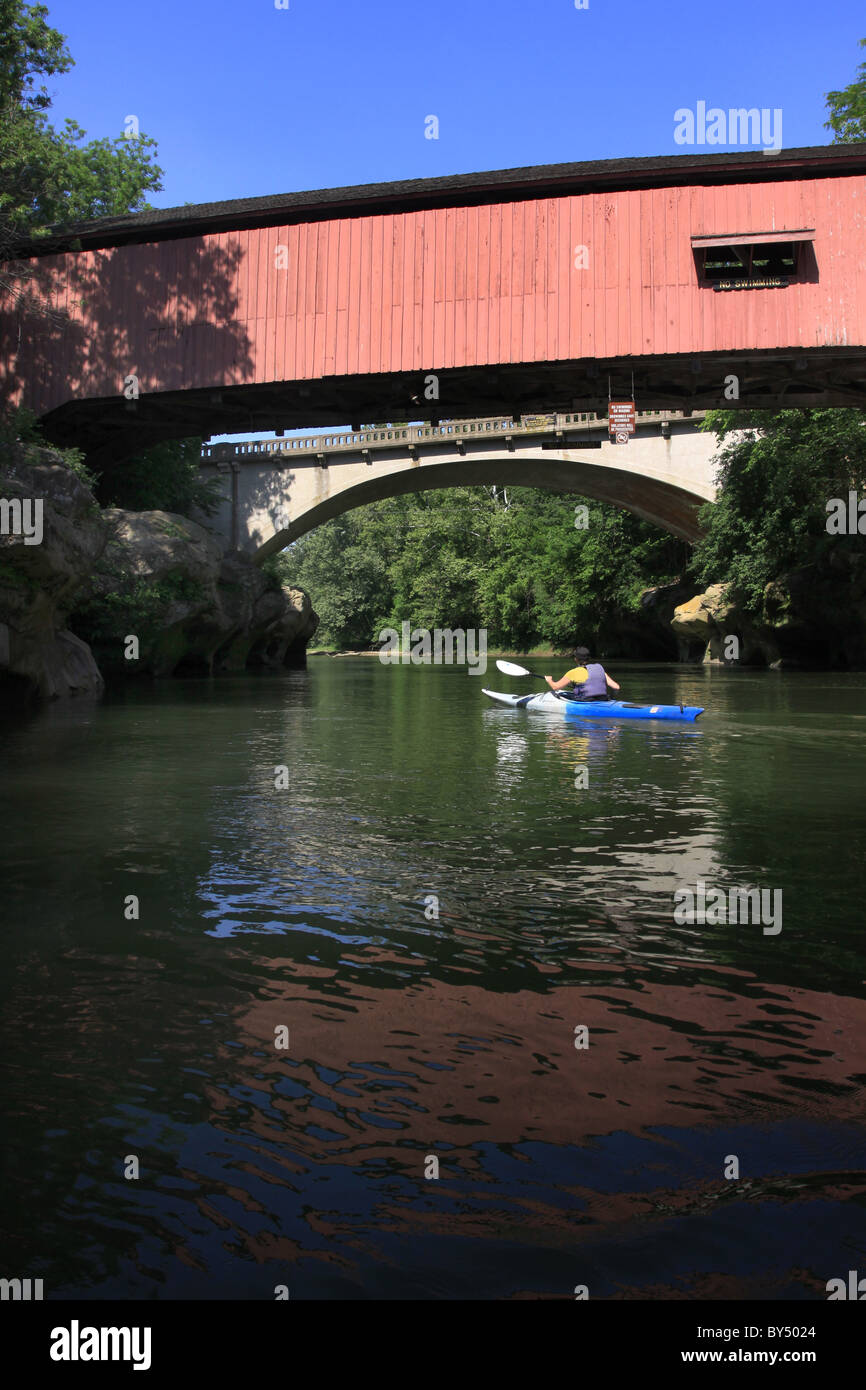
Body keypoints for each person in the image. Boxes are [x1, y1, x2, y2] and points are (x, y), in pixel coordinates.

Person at [545, 647, 621, 701]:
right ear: (588, 658)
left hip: (585, 701)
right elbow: (616, 687)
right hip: (603, 699)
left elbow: (556, 687)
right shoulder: (599, 669)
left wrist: (549, 680)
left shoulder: (574, 672)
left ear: (576, 659)